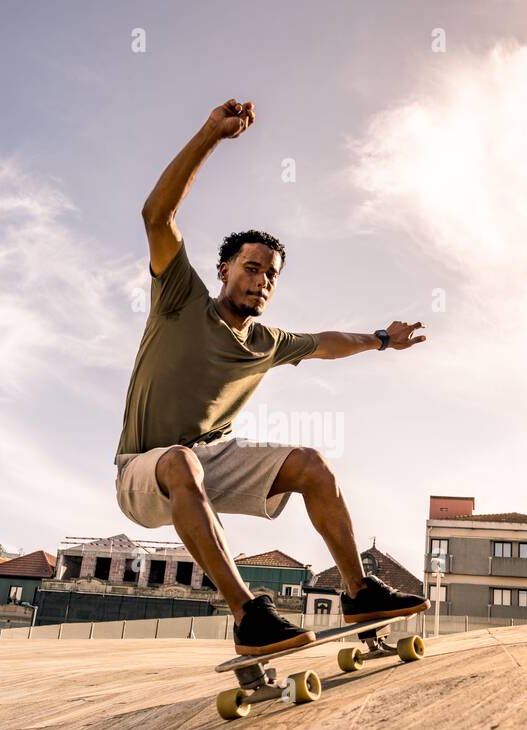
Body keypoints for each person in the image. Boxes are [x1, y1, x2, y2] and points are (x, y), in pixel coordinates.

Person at [114, 99, 430, 656]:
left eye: (270, 275)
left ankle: (358, 592)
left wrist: (382, 339)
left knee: (312, 464)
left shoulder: (266, 342)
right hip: (145, 471)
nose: (260, 281)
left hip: (211, 461)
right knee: (181, 460)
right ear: (224, 270)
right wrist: (211, 133)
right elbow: (156, 217)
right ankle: (248, 617)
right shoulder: (179, 297)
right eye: (250, 267)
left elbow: (329, 343)